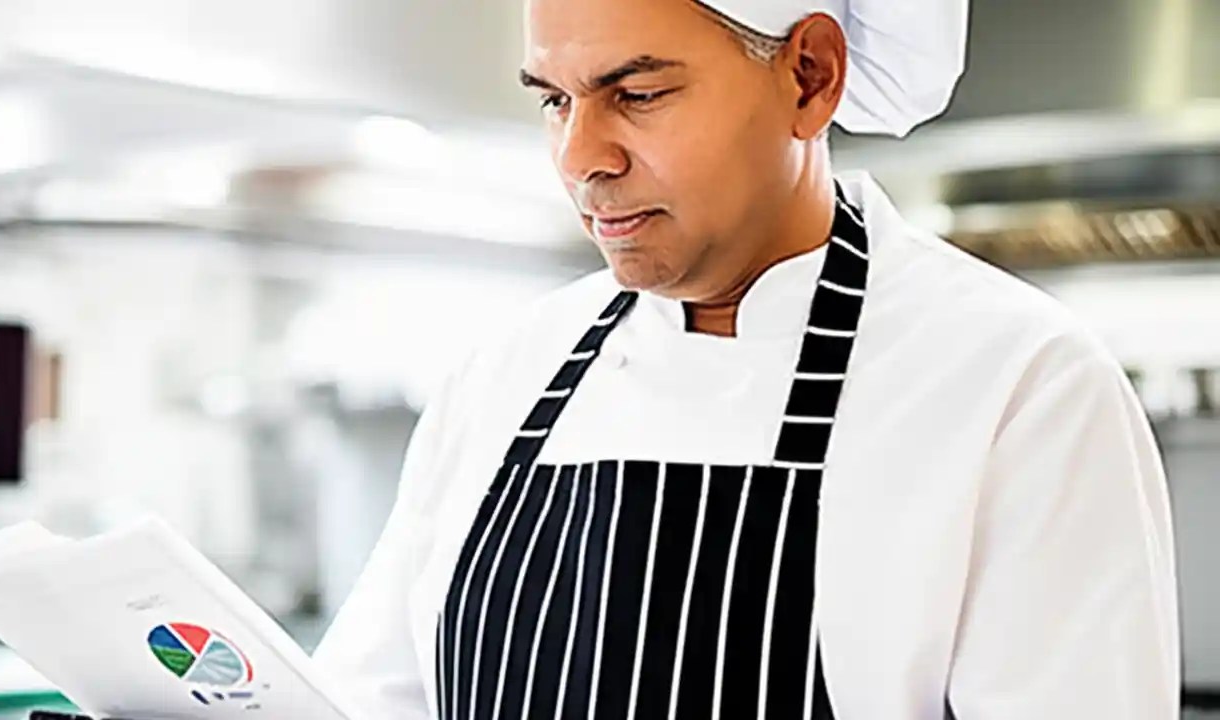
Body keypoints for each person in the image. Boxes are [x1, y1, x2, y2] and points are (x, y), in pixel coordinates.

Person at [314, 0, 1180, 717]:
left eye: (639, 93)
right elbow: (365, 700)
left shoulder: (1017, 388)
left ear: (810, 76)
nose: (581, 159)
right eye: (554, 101)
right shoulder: (502, 377)